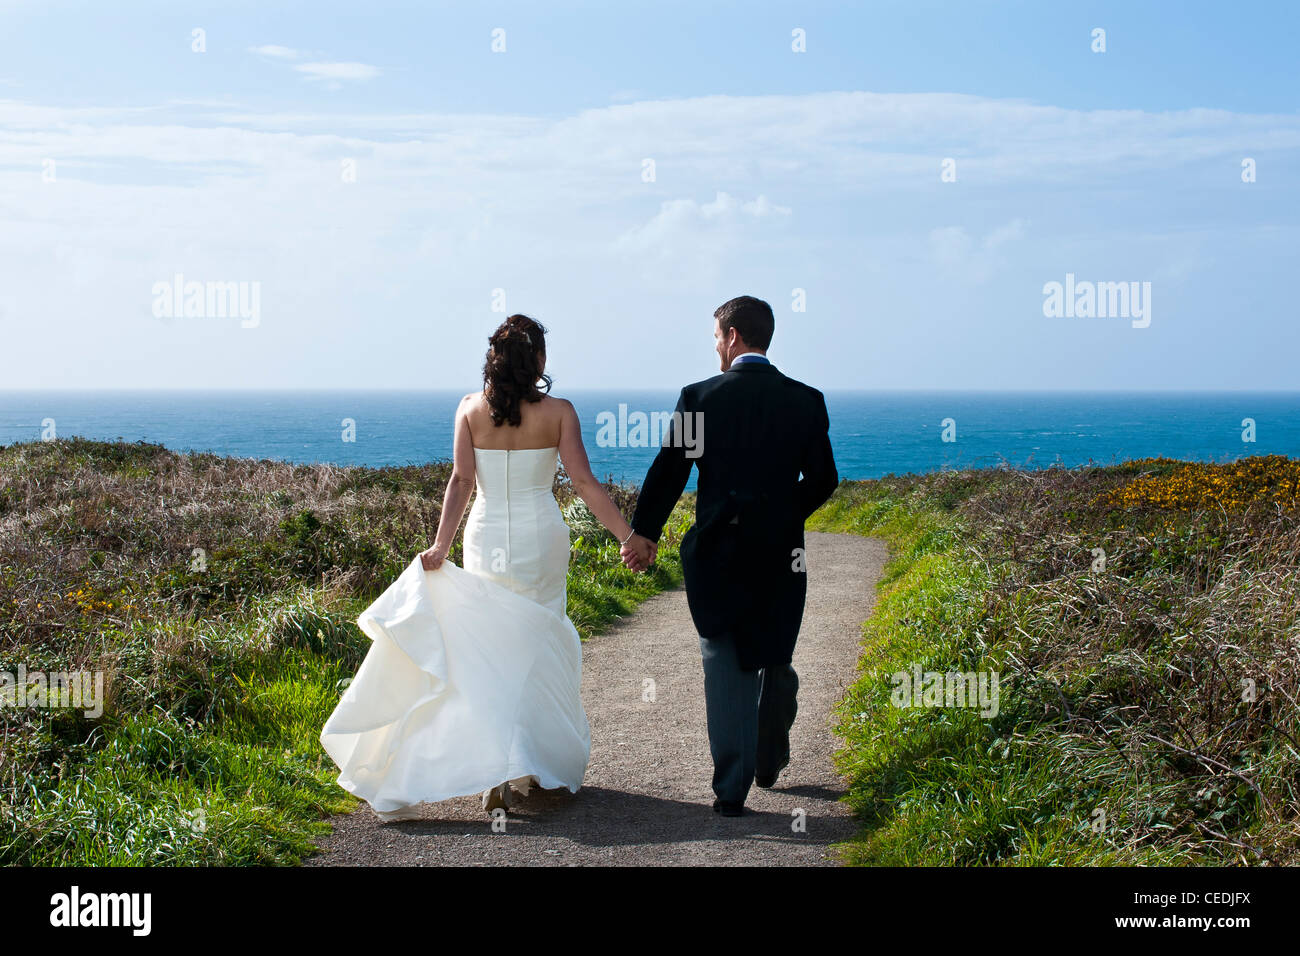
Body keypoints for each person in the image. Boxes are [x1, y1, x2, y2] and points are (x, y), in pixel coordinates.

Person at [320, 314, 639, 820]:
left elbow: (460, 482)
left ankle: (497, 772)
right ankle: (530, 762)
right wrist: (628, 536)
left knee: (489, 649)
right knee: (536, 643)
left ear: (494, 358)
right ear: (538, 360)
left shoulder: (469, 409)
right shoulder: (559, 412)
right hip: (540, 537)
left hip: (486, 535)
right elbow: (583, 483)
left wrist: (440, 548)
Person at [622, 295, 838, 816]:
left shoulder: (700, 397)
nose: (716, 347)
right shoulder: (805, 399)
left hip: (719, 549)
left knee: (723, 661)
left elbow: (671, 470)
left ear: (733, 337)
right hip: (782, 554)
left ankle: (732, 790)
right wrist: (783, 514)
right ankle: (768, 760)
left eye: (717, 337)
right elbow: (825, 479)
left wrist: (644, 533)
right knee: (775, 659)